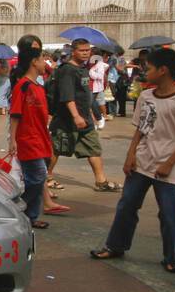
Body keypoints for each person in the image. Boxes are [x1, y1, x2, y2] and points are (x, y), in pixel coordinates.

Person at [90, 48, 175, 273]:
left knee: (171, 215)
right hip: (142, 163)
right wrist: (130, 155)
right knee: (126, 206)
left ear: (163, 71)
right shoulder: (145, 96)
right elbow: (140, 129)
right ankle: (115, 245)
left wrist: (169, 163)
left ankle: (171, 257)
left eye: (148, 68)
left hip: (170, 169)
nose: (144, 71)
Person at [49, 38, 121, 192]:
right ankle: (46, 178)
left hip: (85, 119)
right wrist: (76, 116)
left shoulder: (83, 69)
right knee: (57, 148)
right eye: (82, 50)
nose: (85, 53)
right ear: (73, 51)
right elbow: (67, 96)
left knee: (93, 148)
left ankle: (101, 181)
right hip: (66, 119)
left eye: (87, 50)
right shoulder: (68, 70)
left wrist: (90, 115)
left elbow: (84, 96)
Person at [4, 43, 53, 230]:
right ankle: (18, 207)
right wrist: (12, 140)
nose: (45, 63)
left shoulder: (38, 87)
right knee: (38, 176)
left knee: (38, 178)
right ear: (34, 62)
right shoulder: (22, 86)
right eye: (42, 59)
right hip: (28, 140)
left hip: (41, 139)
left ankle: (31, 216)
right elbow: (15, 114)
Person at [89, 53, 109, 127]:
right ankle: (95, 122)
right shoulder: (88, 63)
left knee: (92, 103)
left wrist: (91, 72)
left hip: (95, 87)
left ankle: (100, 118)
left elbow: (99, 76)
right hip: (88, 86)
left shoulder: (100, 64)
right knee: (91, 104)